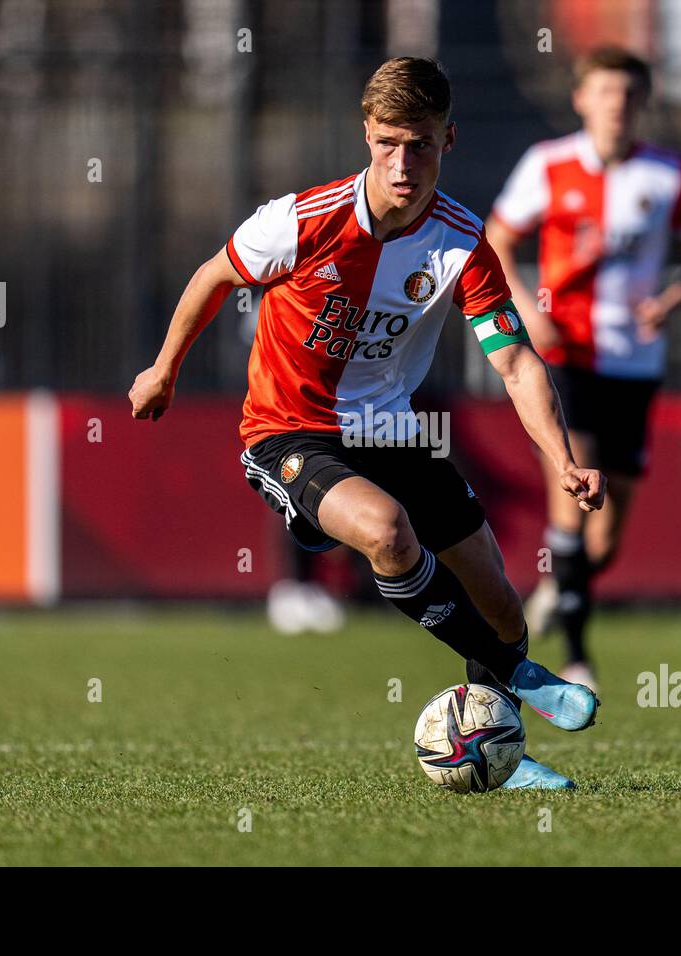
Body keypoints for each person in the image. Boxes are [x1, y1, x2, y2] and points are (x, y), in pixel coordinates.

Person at [130, 57, 604, 789]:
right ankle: (519, 673)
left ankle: (499, 748)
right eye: (387, 142)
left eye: (418, 143)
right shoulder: (303, 220)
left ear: (449, 138)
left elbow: (515, 363)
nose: (402, 162)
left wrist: (563, 458)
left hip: (390, 432)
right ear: (366, 136)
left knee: (502, 602)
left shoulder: (461, 243)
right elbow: (214, 275)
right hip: (287, 431)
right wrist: (164, 369)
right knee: (385, 531)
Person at [486, 47, 681, 691]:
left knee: (606, 538)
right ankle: (578, 659)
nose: (616, 104)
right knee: (575, 494)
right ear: (581, 99)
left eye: (628, 93)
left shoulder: (669, 174)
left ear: (644, 102)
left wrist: (675, 299)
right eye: (605, 91)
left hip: (636, 363)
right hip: (567, 357)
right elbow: (497, 239)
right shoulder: (547, 164)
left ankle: (561, 595)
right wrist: (528, 309)